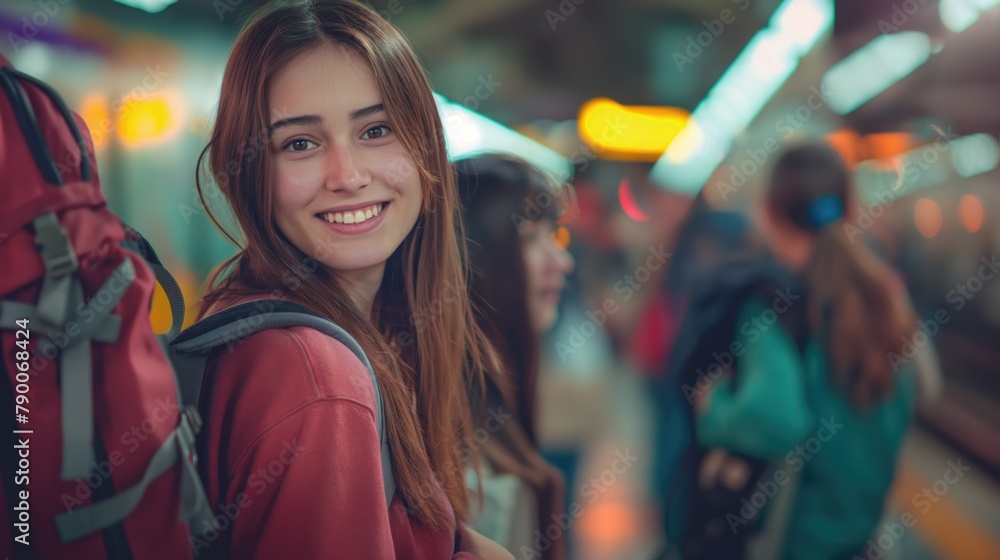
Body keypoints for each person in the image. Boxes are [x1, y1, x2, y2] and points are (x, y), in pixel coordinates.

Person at [191, 1, 515, 558]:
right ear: (246, 173)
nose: (347, 176)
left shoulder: (283, 329)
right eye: (300, 143)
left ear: (425, 145)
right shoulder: (319, 373)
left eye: (377, 129)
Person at [691, 143, 937, 559]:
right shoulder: (887, 296)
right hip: (862, 540)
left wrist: (712, 407)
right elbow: (928, 385)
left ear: (769, 213)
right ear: (851, 209)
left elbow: (779, 419)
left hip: (795, 543)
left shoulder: (772, 304)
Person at [454, 155, 574, 560]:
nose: (562, 262)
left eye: (552, 236)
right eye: (529, 239)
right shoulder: (466, 461)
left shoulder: (483, 393)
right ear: (469, 255)